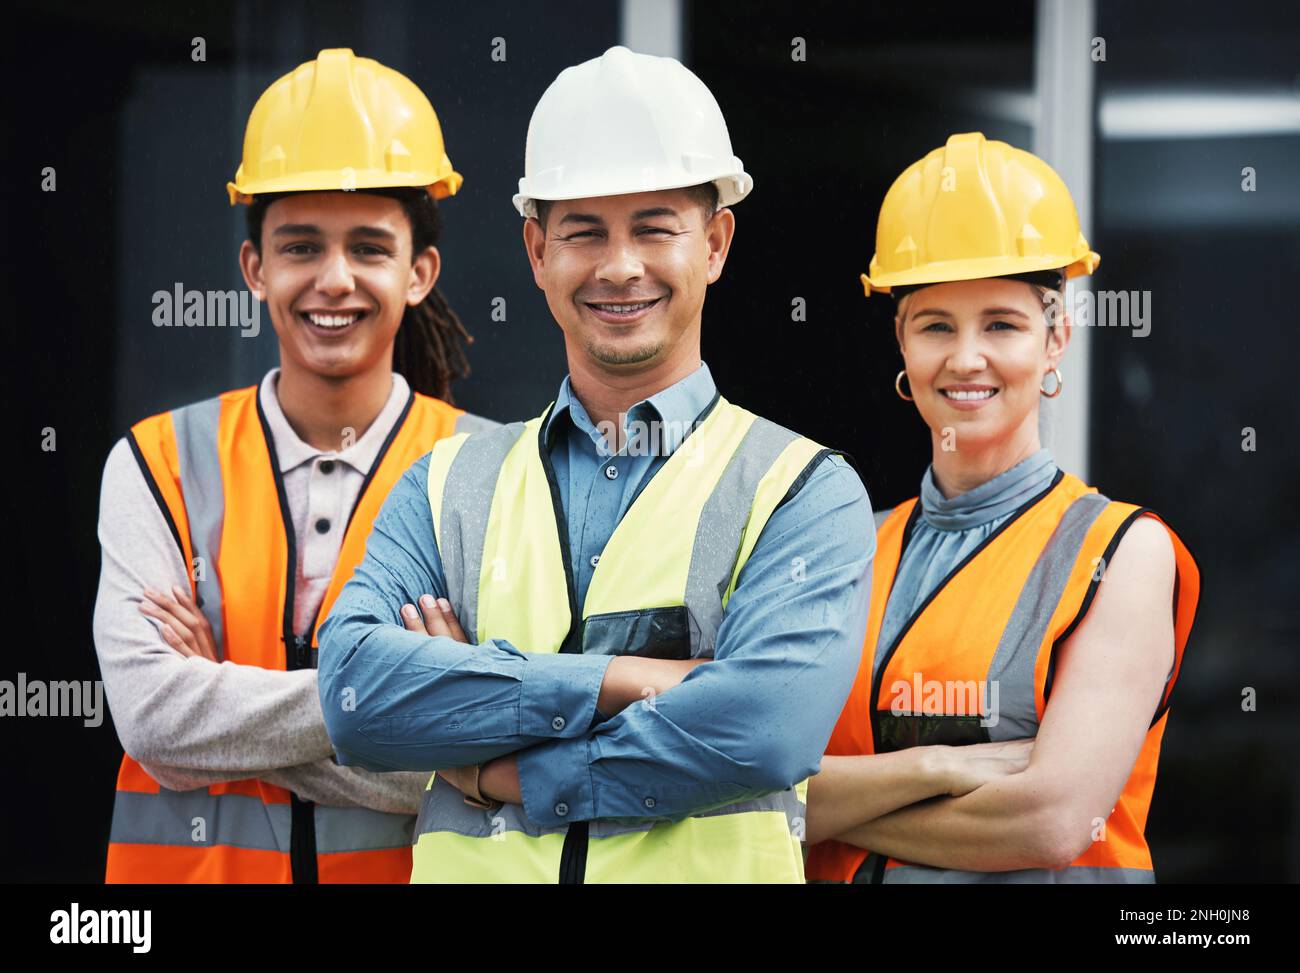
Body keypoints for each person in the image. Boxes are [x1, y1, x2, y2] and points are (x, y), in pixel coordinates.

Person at [316, 46, 875, 884]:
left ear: (716, 243)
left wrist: (495, 764)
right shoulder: (446, 483)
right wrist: (627, 678)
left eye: (655, 227)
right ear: (538, 252)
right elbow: (358, 695)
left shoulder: (801, 490)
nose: (620, 266)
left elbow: (764, 726)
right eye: (584, 232)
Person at [94, 48, 496, 883]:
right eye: (302, 246)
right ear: (256, 269)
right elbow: (154, 721)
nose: (334, 279)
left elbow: (504, 752)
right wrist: (416, 698)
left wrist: (220, 702)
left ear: (419, 272)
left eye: (369, 248)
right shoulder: (156, 462)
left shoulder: (493, 471)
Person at [803, 132, 1200, 883]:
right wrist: (942, 764)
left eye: (1001, 324)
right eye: (936, 325)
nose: (966, 358)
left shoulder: (1121, 552)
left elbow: (1052, 819)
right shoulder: (849, 550)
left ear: (1057, 338)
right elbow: (762, 799)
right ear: (901, 341)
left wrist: (838, 801)